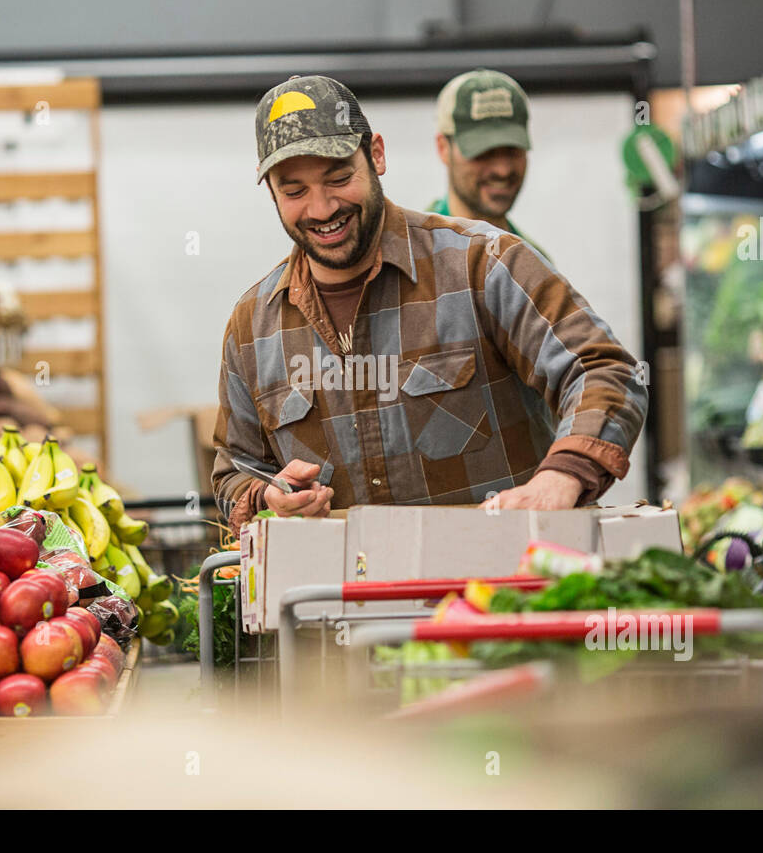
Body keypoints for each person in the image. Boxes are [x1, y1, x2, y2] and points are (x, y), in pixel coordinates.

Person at [212, 75, 645, 532]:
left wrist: (563, 476)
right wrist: (267, 497)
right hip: (341, 598)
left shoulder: (482, 266)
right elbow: (233, 471)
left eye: (339, 178)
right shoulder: (252, 326)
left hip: (499, 588)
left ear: (376, 154)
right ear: (272, 192)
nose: (321, 209)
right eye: (294, 191)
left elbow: (603, 370)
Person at [427, 68, 551, 263]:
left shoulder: (534, 264)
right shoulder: (413, 256)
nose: (503, 170)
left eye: (512, 150)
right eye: (483, 152)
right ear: (443, 148)